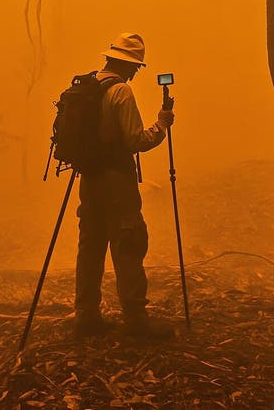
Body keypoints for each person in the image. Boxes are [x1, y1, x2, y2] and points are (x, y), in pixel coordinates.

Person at [74, 32, 175, 338]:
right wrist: (161, 125)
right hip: (117, 180)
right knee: (128, 243)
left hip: (88, 178)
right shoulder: (120, 92)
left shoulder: (85, 86)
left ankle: (86, 316)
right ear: (128, 65)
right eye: (135, 67)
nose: (134, 73)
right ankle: (136, 321)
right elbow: (135, 140)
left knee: (90, 246)